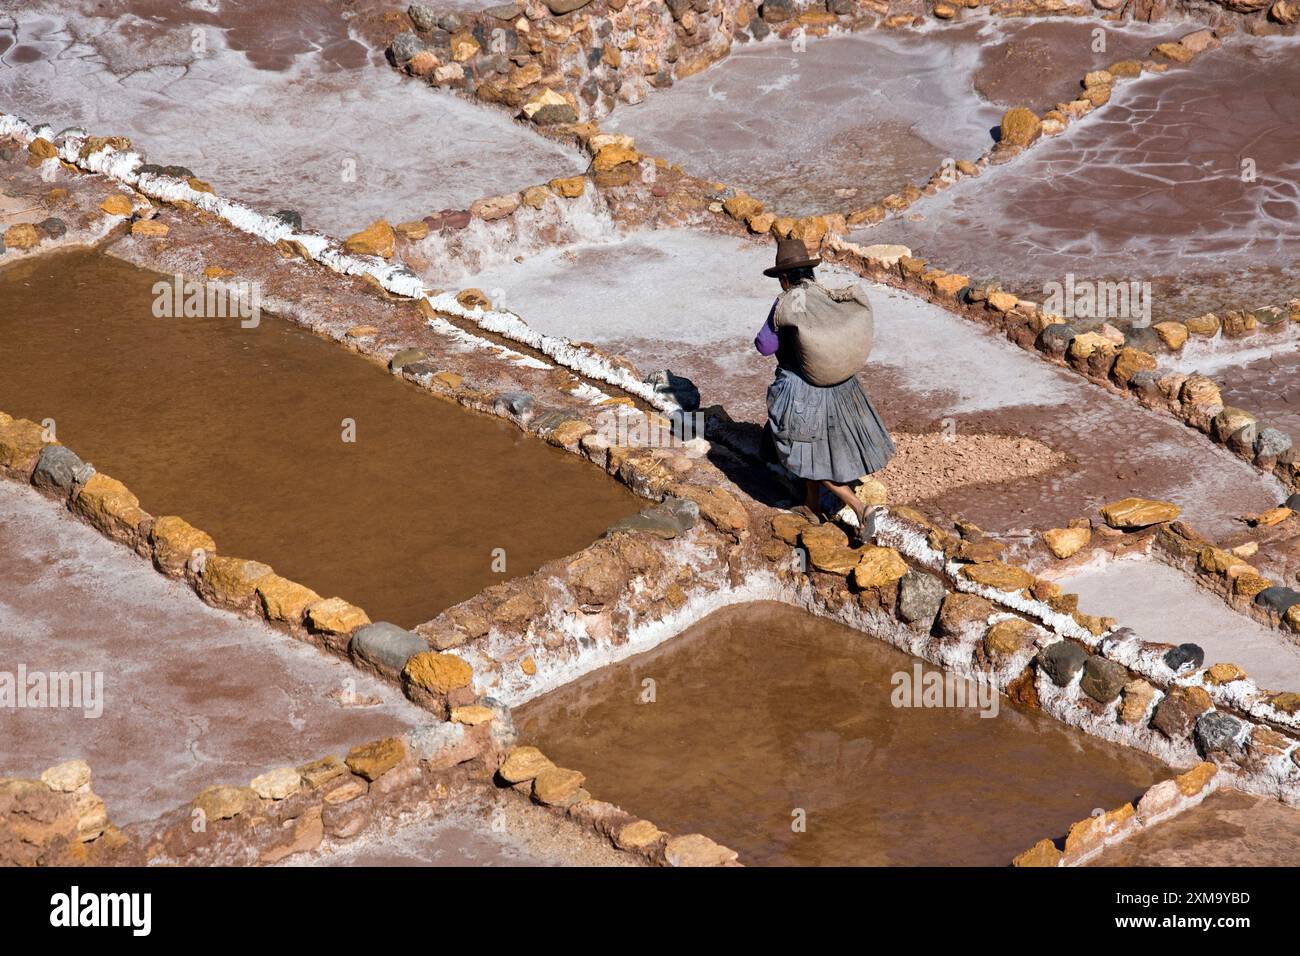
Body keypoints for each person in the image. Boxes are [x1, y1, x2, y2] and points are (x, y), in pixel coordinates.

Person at [754, 237, 895, 545]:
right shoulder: (826, 296)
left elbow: (764, 346)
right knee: (816, 450)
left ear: (783, 277)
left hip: (803, 392)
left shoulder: (787, 302)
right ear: (809, 271)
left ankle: (862, 508)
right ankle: (813, 505)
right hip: (841, 388)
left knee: (805, 452)